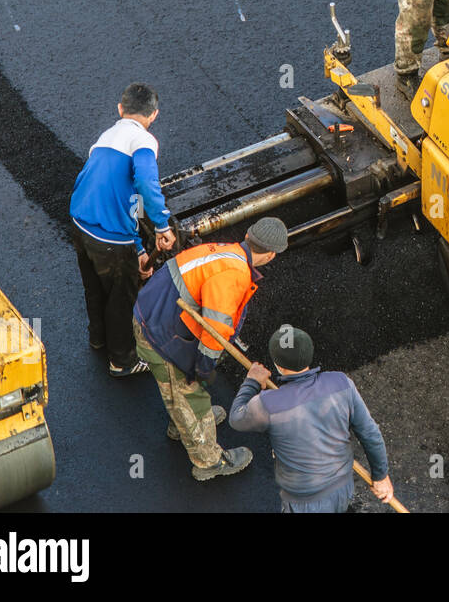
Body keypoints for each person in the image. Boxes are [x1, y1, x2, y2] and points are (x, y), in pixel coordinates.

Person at [131, 217, 289, 481]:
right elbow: (215, 332)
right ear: (271, 254)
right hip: (159, 334)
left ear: (248, 235)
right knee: (192, 392)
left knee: (178, 389)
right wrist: (202, 370)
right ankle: (208, 462)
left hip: (153, 314)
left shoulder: (226, 251)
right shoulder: (234, 275)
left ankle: (182, 424)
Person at [69, 82, 175, 377]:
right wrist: (161, 225)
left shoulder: (105, 137)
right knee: (121, 297)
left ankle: (98, 338)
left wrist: (139, 249)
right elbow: (144, 184)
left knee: (94, 287)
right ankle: (122, 361)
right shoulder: (144, 141)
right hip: (110, 239)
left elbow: (121, 193)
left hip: (79, 223)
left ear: (120, 109)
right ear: (153, 114)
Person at [229, 325, 394, 512]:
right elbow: (369, 432)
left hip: (305, 502)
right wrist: (381, 477)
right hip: (342, 488)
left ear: (278, 365)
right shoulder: (341, 382)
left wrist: (252, 381)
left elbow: (236, 418)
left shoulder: (267, 404)